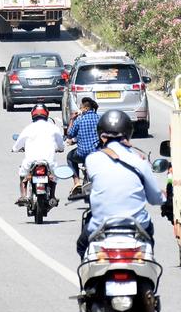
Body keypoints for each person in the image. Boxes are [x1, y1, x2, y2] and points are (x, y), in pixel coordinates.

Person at [76, 110, 164, 259]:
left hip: (101, 226)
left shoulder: (92, 160)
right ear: (128, 134)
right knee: (149, 244)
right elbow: (156, 199)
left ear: (102, 136)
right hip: (137, 226)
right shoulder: (139, 161)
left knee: (82, 247)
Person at [11, 102, 64, 206]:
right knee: (54, 175)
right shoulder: (54, 128)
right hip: (49, 161)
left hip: (31, 161)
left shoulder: (29, 128)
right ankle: (52, 195)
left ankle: (24, 196)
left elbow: (18, 144)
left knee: (23, 174)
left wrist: (14, 149)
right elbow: (61, 145)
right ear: (46, 114)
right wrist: (60, 149)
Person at [65, 97, 100, 199]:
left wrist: (72, 119)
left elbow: (70, 134)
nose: (79, 109)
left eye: (80, 107)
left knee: (69, 157)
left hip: (82, 153)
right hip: (97, 153)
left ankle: (76, 182)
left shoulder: (79, 120)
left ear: (85, 109)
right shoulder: (99, 118)